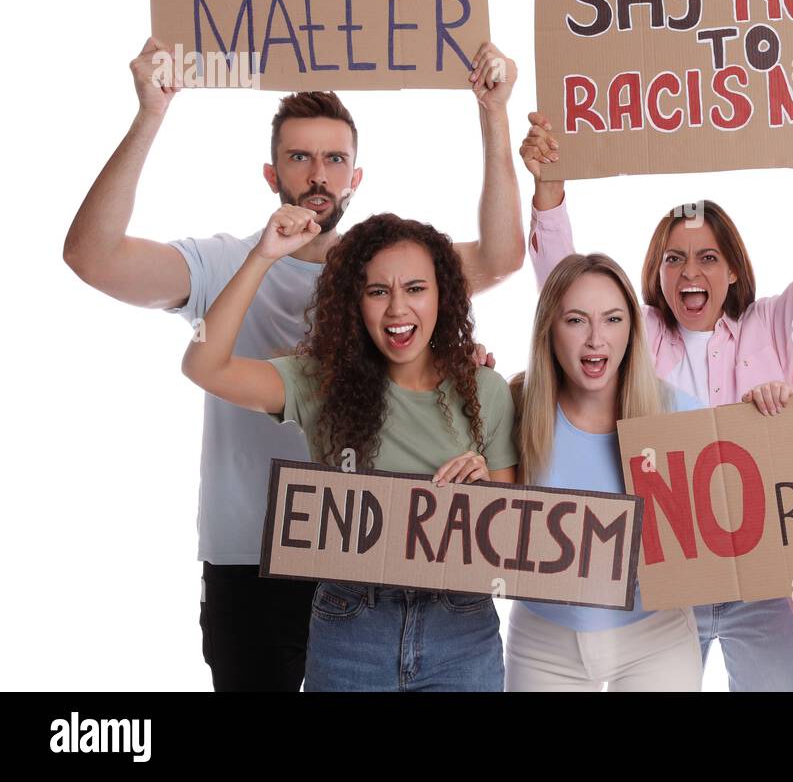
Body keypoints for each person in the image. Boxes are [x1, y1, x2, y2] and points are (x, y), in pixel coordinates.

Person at [62, 37, 524, 691]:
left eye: (335, 159)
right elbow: (92, 258)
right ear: (271, 173)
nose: (318, 175)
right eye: (299, 157)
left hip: (387, 564)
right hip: (252, 560)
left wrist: (492, 112)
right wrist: (151, 114)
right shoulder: (221, 264)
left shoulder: (388, 268)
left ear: (355, 177)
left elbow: (503, 257)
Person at [519, 102, 793, 692]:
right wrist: (550, 191)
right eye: (674, 259)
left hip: (762, 582)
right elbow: (565, 284)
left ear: (731, 270)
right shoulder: (638, 334)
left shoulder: (772, 329)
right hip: (662, 580)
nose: (689, 272)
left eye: (707, 257)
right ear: (656, 271)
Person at [182, 206, 518, 691]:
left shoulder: (485, 389)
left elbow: (508, 538)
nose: (397, 309)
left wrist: (483, 490)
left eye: (416, 289)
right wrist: (262, 257)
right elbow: (203, 364)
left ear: (443, 296)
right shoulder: (320, 382)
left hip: (460, 631)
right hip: (351, 626)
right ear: (353, 302)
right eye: (377, 291)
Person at [506, 253, 704, 691]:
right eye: (576, 321)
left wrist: (770, 410)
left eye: (612, 319)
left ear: (631, 329)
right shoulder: (513, 407)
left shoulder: (679, 412)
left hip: (656, 637)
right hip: (543, 641)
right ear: (549, 330)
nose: (596, 339)